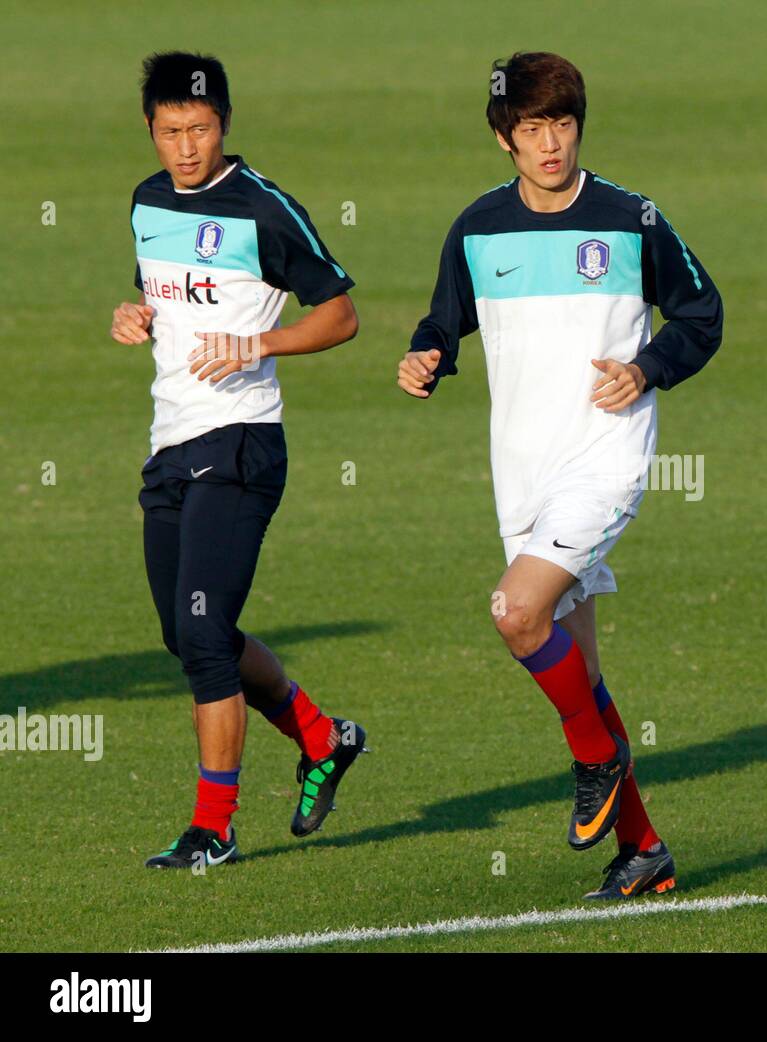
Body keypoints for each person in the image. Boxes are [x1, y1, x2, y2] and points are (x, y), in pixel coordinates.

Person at [399, 52, 723, 899]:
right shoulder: (477, 228)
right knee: (576, 667)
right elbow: (446, 318)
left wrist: (647, 368)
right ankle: (645, 851)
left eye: (563, 123)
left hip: (602, 461)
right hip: (521, 472)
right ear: (503, 137)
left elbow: (701, 312)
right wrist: (427, 355)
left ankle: (594, 756)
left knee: (515, 611)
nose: (550, 143)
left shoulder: (630, 218)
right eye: (532, 128)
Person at [113, 51, 367, 869]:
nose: (185, 147)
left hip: (243, 440)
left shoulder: (265, 209)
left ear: (225, 123)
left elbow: (341, 315)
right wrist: (137, 314)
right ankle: (323, 738)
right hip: (169, 444)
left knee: (202, 632)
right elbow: (165, 292)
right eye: (169, 131)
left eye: (200, 129)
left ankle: (212, 829)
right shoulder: (147, 203)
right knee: (186, 634)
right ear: (150, 130)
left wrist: (262, 340)